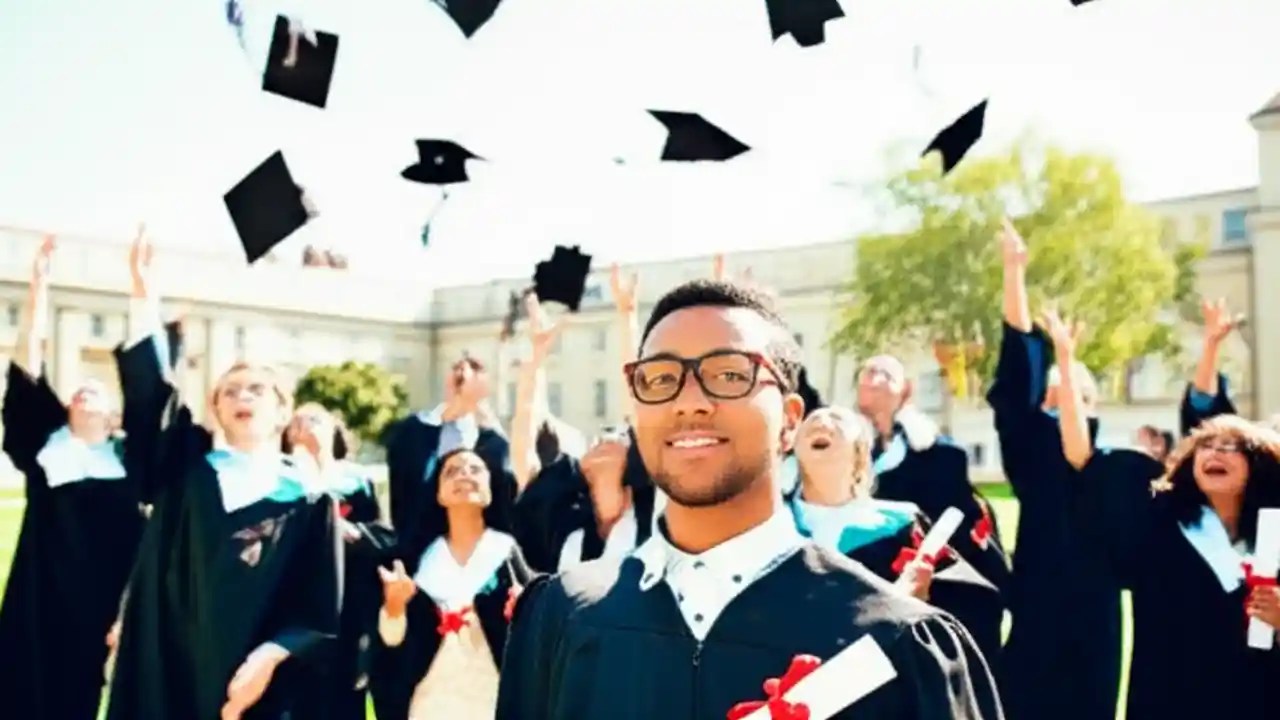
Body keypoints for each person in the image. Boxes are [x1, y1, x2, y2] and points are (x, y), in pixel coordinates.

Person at [496, 278, 1003, 719]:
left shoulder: (896, 640)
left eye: (729, 374)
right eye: (661, 379)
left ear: (789, 418)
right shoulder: (563, 616)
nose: (689, 401)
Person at [105, 231, 342, 720]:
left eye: (257, 389)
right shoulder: (185, 470)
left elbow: (320, 609)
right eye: (229, 391)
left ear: (283, 413)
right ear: (215, 412)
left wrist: (271, 656)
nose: (242, 397)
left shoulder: (309, 499)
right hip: (168, 679)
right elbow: (153, 398)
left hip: (259, 690)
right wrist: (143, 298)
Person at [1044, 308, 1280, 716]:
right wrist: (1065, 362)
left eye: (1231, 447)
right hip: (1169, 701)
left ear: (1257, 465)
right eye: (1206, 446)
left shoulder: (1272, 537)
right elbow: (1082, 457)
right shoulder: (1158, 521)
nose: (1215, 452)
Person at [0, 235, 148, 719]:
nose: (87, 392)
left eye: (97, 391)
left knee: (83, 699)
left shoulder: (131, 462)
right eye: (79, 389)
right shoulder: (46, 449)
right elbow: (25, 370)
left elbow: (151, 385)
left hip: (100, 600)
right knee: (22, 691)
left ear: (113, 417)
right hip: (37, 596)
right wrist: (38, 293)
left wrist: (141, 290)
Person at [986, 219, 1119, 720]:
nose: (1062, 400)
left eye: (1077, 395)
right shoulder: (1029, 441)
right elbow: (1019, 356)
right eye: (1054, 393)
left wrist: (1066, 362)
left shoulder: (1106, 463)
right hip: (1040, 596)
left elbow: (1078, 447)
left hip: (1094, 605)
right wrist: (1013, 272)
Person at [787, 405, 1004, 662]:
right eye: (812, 421)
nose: (822, 422)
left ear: (860, 452)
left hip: (884, 680)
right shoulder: (773, 527)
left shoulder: (899, 525)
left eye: (837, 419)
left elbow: (972, 606)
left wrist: (915, 607)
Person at [372, 447, 532, 720]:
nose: (464, 476)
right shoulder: (416, 562)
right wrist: (394, 606)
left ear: (490, 489)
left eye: (475, 470)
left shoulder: (509, 556)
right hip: (430, 703)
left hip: (494, 701)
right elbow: (391, 642)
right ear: (439, 494)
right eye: (452, 471)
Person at [855, 354, 1010, 593]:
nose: (875, 379)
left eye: (885, 374)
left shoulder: (941, 456)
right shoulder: (841, 450)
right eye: (868, 372)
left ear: (905, 390)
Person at [283, 403, 396, 720]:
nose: (306, 425)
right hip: (294, 609)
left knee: (346, 694)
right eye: (297, 421)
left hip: (349, 606)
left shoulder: (358, 481)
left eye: (316, 419)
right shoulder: (281, 480)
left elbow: (385, 537)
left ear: (335, 429)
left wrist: (353, 534)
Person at [385, 355, 509, 532]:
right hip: (420, 542)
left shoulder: (489, 439)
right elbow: (409, 487)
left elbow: (504, 482)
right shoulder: (413, 431)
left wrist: (478, 408)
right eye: (457, 371)